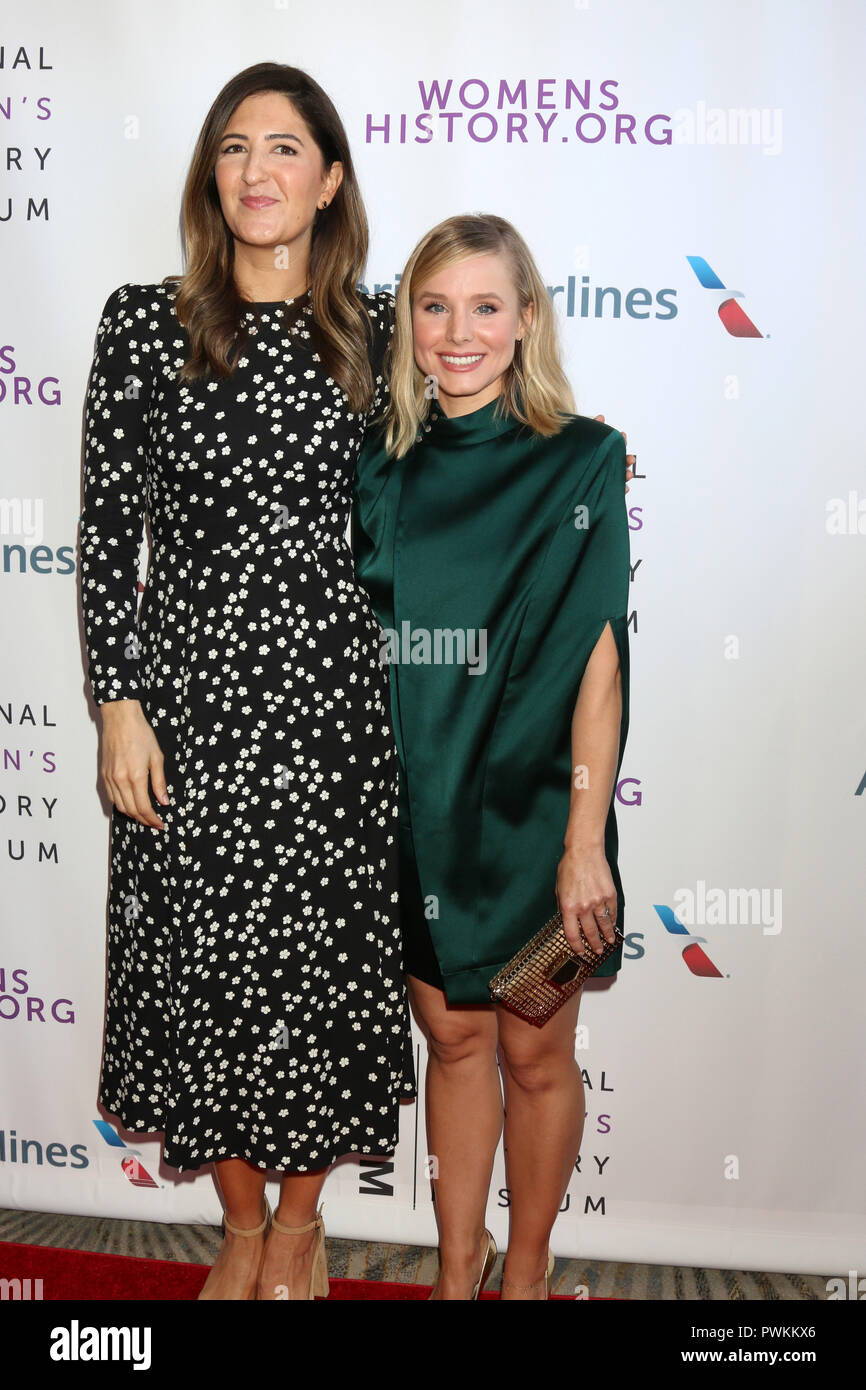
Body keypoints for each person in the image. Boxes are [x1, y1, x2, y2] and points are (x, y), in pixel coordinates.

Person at [78, 62, 415, 1302]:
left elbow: (442, 514)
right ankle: (236, 1217)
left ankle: (303, 1218)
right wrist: (118, 701)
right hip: (188, 709)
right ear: (209, 177)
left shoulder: (383, 333)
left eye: (285, 148)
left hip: (334, 708)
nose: (256, 171)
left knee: (321, 958)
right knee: (197, 959)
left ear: (329, 181)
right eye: (233, 148)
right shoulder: (140, 321)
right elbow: (110, 531)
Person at [352, 213, 631, 1300]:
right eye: (433, 307)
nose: (455, 332)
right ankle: (454, 1270)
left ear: (523, 321)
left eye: (482, 306)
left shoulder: (582, 460)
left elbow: (596, 662)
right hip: (421, 825)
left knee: (533, 1053)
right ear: (409, 326)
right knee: (455, 1046)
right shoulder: (381, 473)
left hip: (536, 833)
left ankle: (524, 1272)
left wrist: (581, 844)